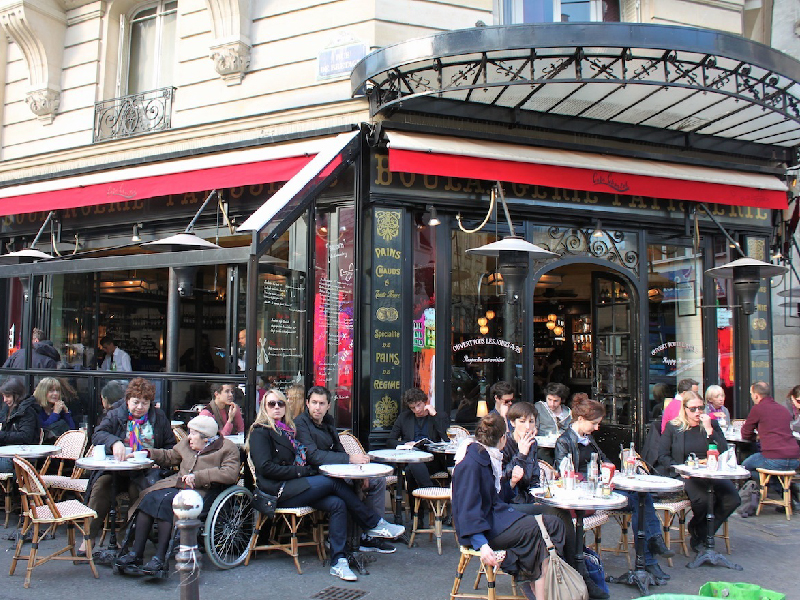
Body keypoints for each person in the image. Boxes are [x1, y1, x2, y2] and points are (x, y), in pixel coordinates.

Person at [248, 388, 404, 582]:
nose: (277, 407)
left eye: (281, 403)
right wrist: (303, 471)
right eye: (272, 404)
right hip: (277, 492)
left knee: (337, 504)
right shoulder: (260, 432)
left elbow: (302, 457)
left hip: (296, 485)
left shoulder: (286, 430)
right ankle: (372, 523)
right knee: (333, 482)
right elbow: (265, 468)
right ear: (264, 407)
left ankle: (339, 560)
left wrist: (303, 471)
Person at [555, 395, 673, 581]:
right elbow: (566, 473)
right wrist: (597, 476)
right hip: (584, 496)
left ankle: (650, 554)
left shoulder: (588, 438)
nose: (597, 427)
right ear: (580, 420)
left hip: (602, 490)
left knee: (641, 497)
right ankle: (650, 556)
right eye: (594, 423)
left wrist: (613, 473)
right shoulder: (564, 442)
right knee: (638, 500)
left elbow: (606, 461)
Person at [500, 401, 607, 598]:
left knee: (561, 513)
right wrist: (521, 454)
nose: (528, 426)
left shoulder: (532, 444)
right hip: (508, 505)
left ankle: (572, 572)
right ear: (512, 423)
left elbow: (532, 480)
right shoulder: (505, 444)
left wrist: (542, 493)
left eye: (532, 421)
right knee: (552, 520)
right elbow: (503, 481)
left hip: (528, 500)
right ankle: (572, 573)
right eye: (522, 421)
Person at [452, 412, 564, 600]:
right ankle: (548, 585)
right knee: (551, 525)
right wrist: (482, 545)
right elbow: (466, 508)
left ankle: (541, 591)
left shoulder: (486, 456)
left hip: (494, 517)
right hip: (484, 529)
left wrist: (510, 483)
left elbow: (493, 497)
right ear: (503, 437)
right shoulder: (472, 463)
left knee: (556, 515)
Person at [114, 414, 239, 577]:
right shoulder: (187, 444)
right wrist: (147, 453)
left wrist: (199, 477)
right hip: (178, 484)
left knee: (168, 504)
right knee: (149, 498)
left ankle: (160, 557)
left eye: (193, 433)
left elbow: (230, 473)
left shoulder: (227, 448)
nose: (189, 437)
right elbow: (170, 456)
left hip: (203, 492)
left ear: (206, 437)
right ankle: (136, 553)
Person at [294, 386, 393, 553]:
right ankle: (354, 538)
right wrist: (350, 459)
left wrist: (360, 471)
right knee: (351, 487)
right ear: (307, 403)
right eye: (314, 403)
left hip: (337, 471)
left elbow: (339, 449)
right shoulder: (300, 424)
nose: (317, 407)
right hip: (316, 476)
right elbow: (314, 457)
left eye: (321, 403)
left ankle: (371, 534)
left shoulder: (329, 421)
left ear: (328, 405)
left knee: (376, 481)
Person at [82, 378, 175, 553]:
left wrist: (159, 461)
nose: (140, 407)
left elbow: (171, 445)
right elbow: (98, 434)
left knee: (138, 492)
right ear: (127, 401)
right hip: (117, 469)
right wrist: (115, 442)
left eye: (144, 403)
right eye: (136, 402)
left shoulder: (159, 417)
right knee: (101, 486)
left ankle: (125, 539)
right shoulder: (116, 414)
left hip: (145, 471)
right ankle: (89, 537)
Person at [657, 390, 739, 551]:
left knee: (733, 498)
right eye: (692, 409)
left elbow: (724, 450)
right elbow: (663, 456)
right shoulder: (674, 427)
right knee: (704, 500)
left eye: (700, 408)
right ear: (684, 409)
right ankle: (702, 535)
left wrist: (709, 431)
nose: (697, 412)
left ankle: (700, 531)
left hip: (712, 472)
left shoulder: (711, 425)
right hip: (687, 475)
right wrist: (681, 469)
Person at [739, 381, 800, 516]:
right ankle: (789, 495)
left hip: (774, 457)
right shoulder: (782, 409)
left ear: (756, 395)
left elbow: (745, 433)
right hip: (795, 458)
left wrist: (757, 436)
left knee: (743, 467)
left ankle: (752, 501)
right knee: (769, 471)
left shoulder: (758, 409)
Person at [387, 387, 450, 494]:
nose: (417, 410)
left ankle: (417, 509)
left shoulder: (439, 416)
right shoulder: (404, 418)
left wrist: (434, 415)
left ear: (425, 402)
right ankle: (430, 494)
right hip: (411, 456)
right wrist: (406, 444)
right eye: (412, 408)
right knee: (413, 463)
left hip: (432, 459)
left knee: (410, 469)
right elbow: (390, 441)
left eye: (419, 405)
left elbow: (446, 438)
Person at [0, 378, 40, 472]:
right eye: (4, 397)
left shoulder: (27, 412)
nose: (5, 400)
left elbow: (25, 437)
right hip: (7, 452)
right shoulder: (6, 410)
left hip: (20, 456)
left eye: (8, 396)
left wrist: (1, 435)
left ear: (17, 395)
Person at [33, 377, 76, 442]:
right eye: (51, 391)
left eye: (57, 390)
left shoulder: (58, 407)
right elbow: (43, 430)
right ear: (43, 392)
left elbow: (72, 431)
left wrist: (66, 412)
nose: (55, 394)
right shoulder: (35, 408)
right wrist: (55, 413)